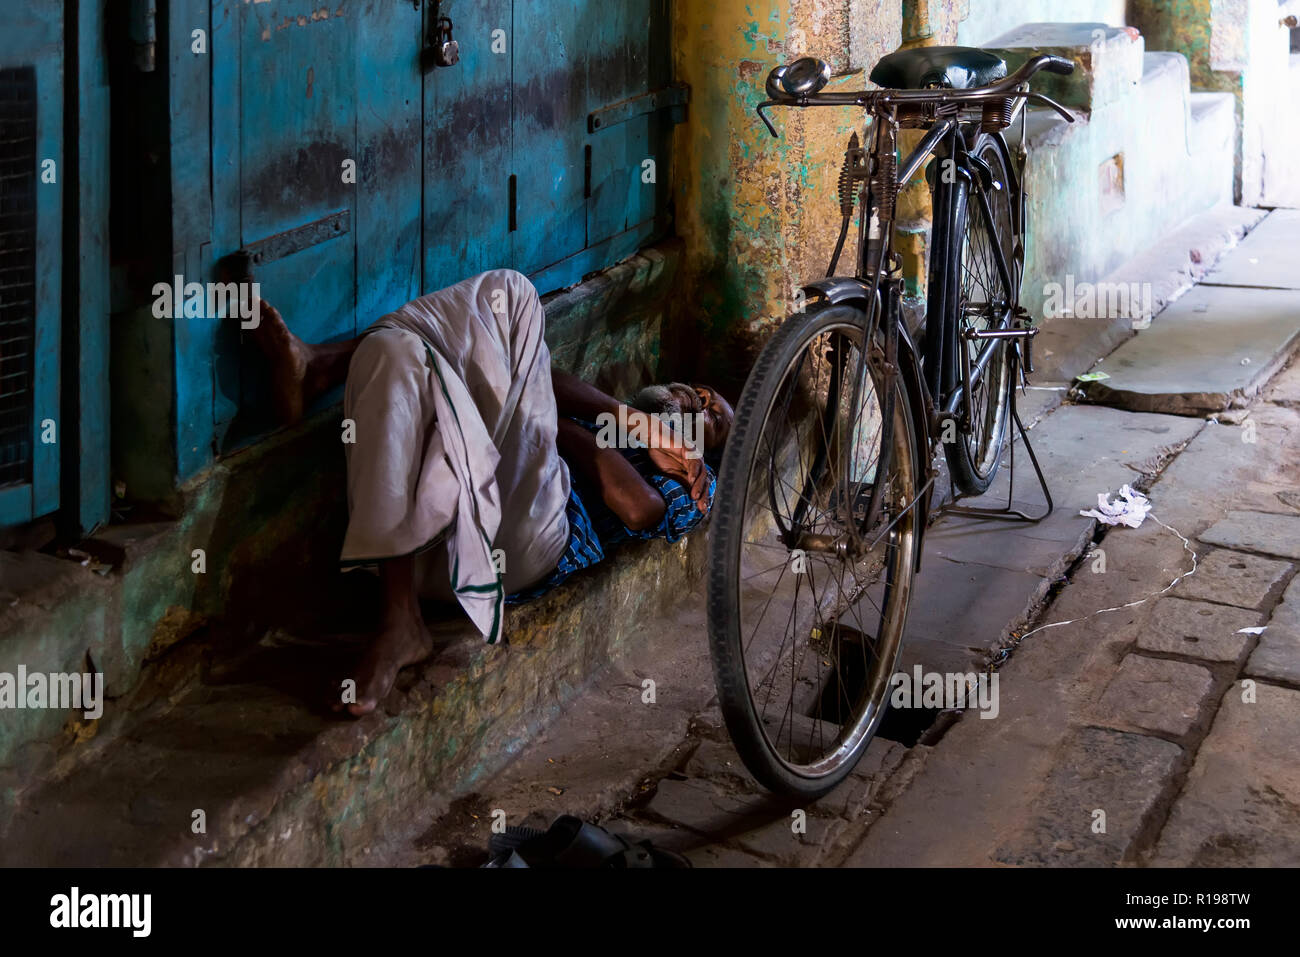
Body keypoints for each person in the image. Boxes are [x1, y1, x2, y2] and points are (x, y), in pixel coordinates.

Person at [253, 269, 733, 716]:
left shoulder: (696, 478)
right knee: (397, 354)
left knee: (513, 292)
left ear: (707, 450)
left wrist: (568, 430)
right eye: (704, 393)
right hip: (420, 546)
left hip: (517, 551)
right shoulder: (615, 411)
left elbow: (638, 509)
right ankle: (399, 617)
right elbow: (535, 377)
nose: (703, 403)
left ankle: (325, 365)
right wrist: (626, 419)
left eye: (714, 420)